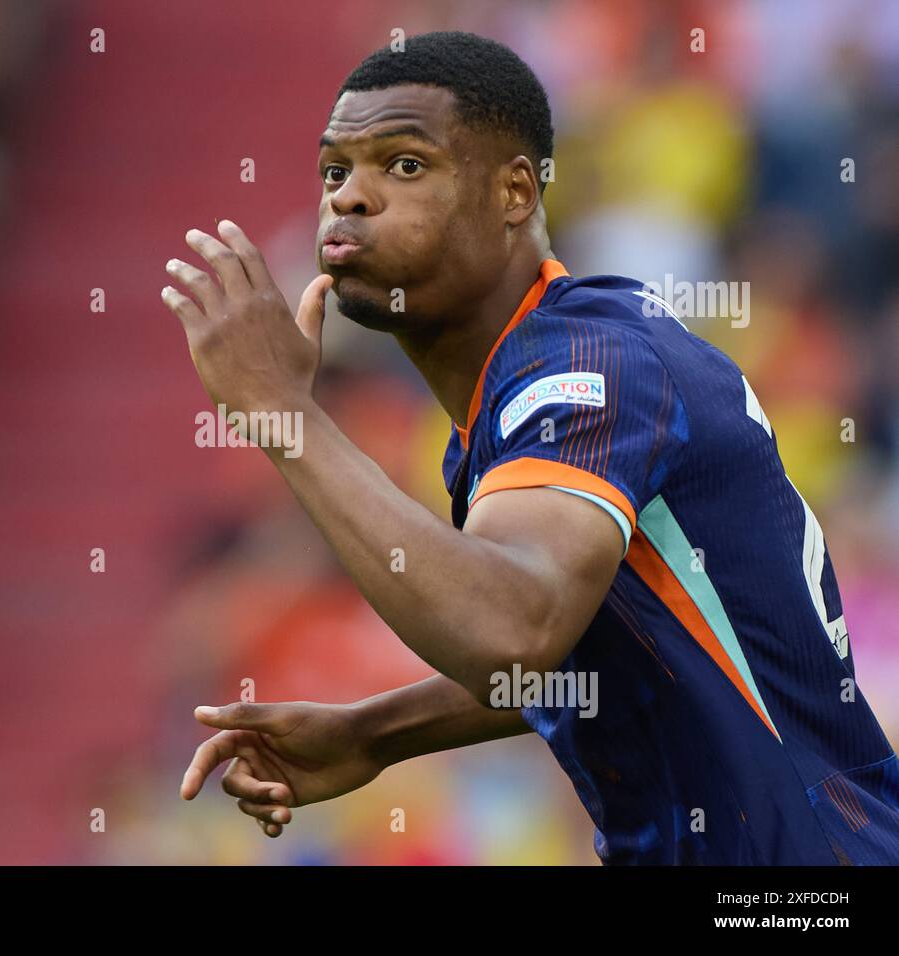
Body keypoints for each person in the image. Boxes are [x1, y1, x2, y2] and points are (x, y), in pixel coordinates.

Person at [161, 31, 899, 864]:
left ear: (515, 191)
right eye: (337, 171)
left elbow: (513, 628)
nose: (351, 197)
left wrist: (279, 415)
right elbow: (593, 645)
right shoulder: (528, 389)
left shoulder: (589, 370)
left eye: (403, 165)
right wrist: (374, 734)